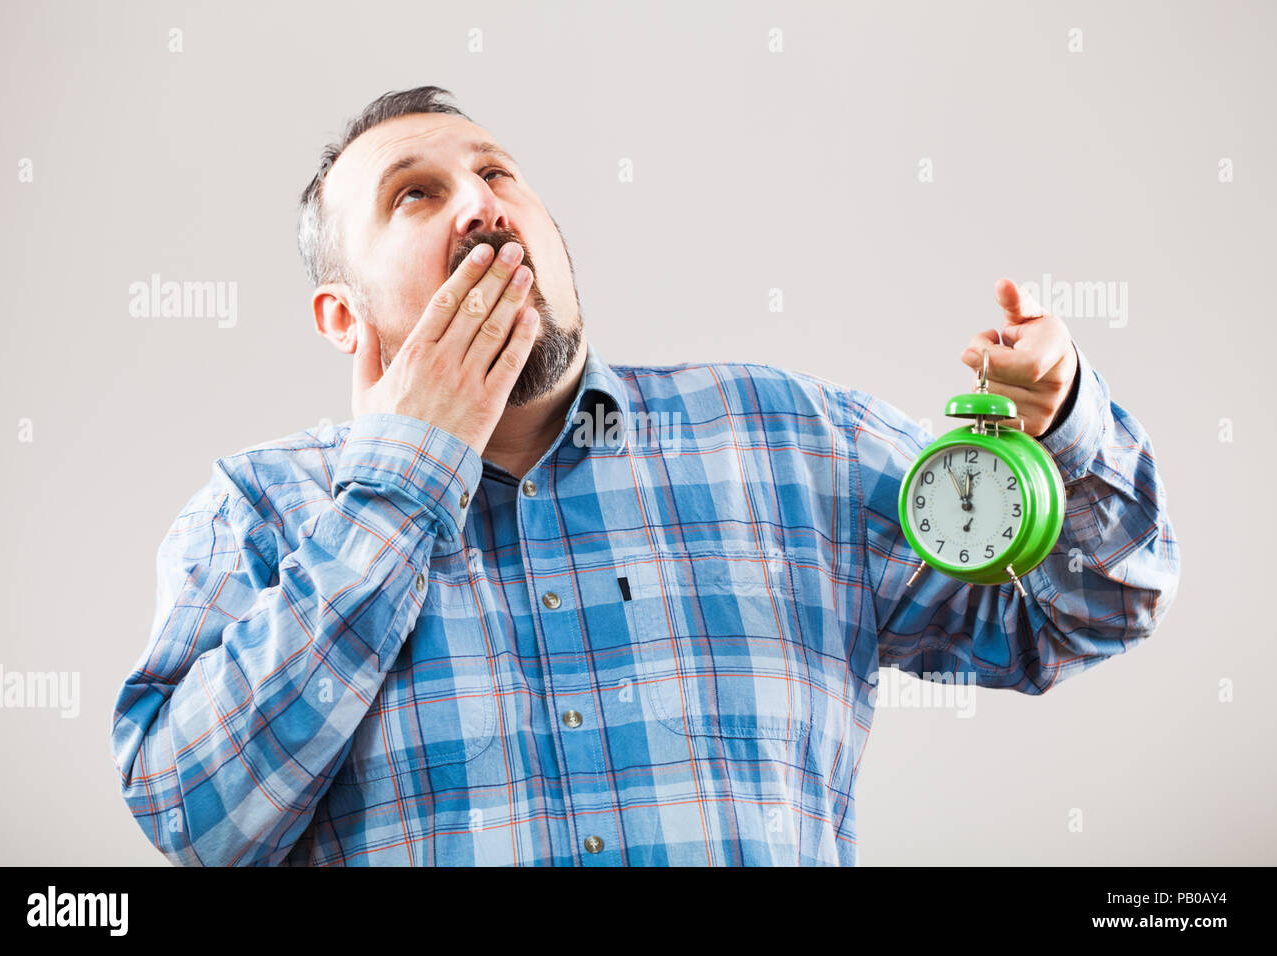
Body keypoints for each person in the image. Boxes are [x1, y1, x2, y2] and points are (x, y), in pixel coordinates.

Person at [109, 86, 1179, 866]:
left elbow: (1088, 609)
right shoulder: (258, 512)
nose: (480, 205)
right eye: (416, 194)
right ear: (343, 317)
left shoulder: (788, 441)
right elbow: (198, 820)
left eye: (495, 175)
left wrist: (1068, 421)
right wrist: (403, 480)